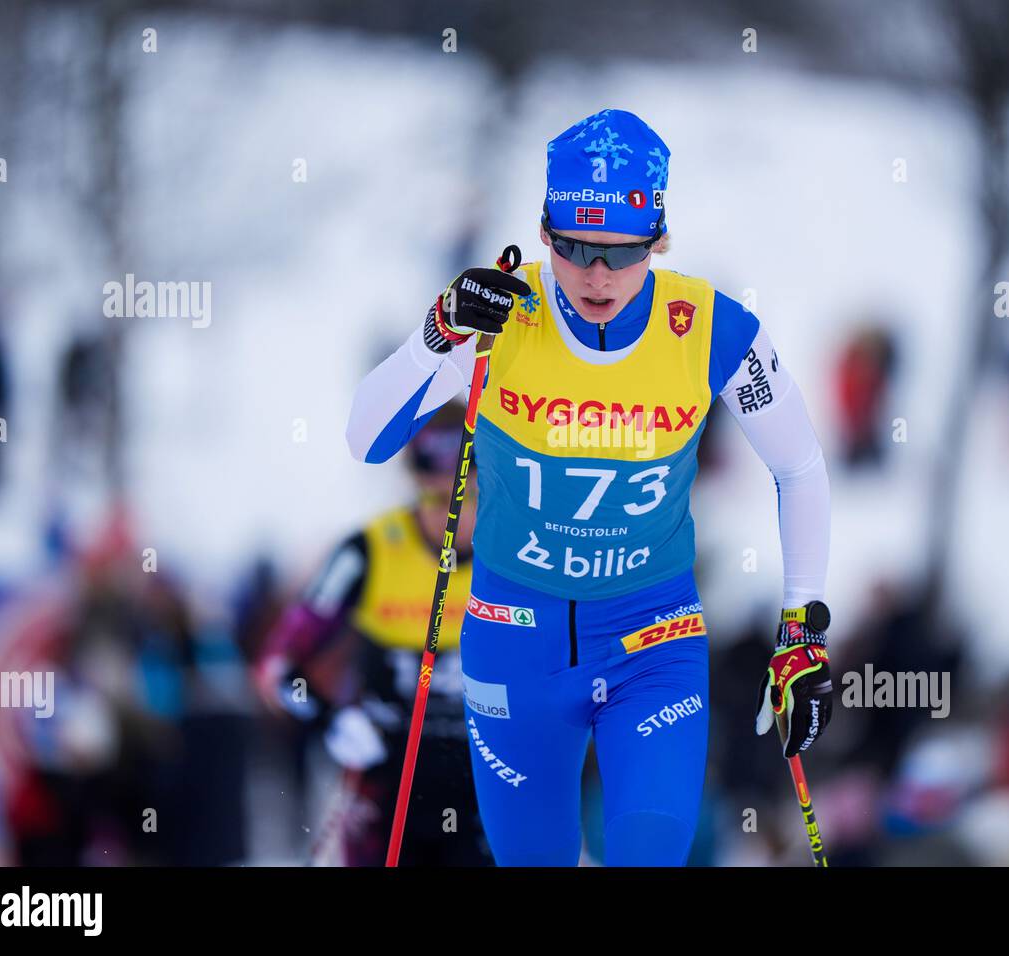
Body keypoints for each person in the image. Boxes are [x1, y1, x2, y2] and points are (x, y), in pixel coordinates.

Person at [346, 109, 833, 866]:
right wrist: (436, 332)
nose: (597, 276)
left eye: (620, 253)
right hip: (515, 639)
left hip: (654, 640)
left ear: (658, 241)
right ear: (544, 235)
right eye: (575, 249)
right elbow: (367, 438)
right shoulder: (499, 316)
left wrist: (802, 629)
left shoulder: (710, 330)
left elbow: (799, 466)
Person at [257, 402, 491, 866]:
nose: (446, 498)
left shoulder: (517, 553)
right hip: (387, 784)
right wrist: (331, 719)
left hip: (486, 784)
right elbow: (278, 668)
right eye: (430, 479)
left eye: (463, 485)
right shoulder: (367, 551)